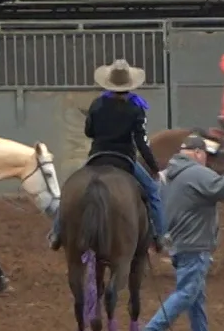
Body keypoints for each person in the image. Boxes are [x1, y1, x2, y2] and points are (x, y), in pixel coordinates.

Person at [141, 134, 224, 331]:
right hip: (195, 242)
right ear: (198, 153)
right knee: (187, 292)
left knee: (195, 294)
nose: (206, 161)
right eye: (205, 156)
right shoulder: (197, 173)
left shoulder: (167, 176)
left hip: (177, 242)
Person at [48, 58, 167, 254]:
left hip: (97, 156)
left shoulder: (97, 104)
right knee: (153, 192)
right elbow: (141, 143)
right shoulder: (136, 108)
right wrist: (154, 167)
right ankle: (160, 235)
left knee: (70, 190)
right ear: (130, 84)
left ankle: (57, 232)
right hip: (124, 159)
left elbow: (89, 132)